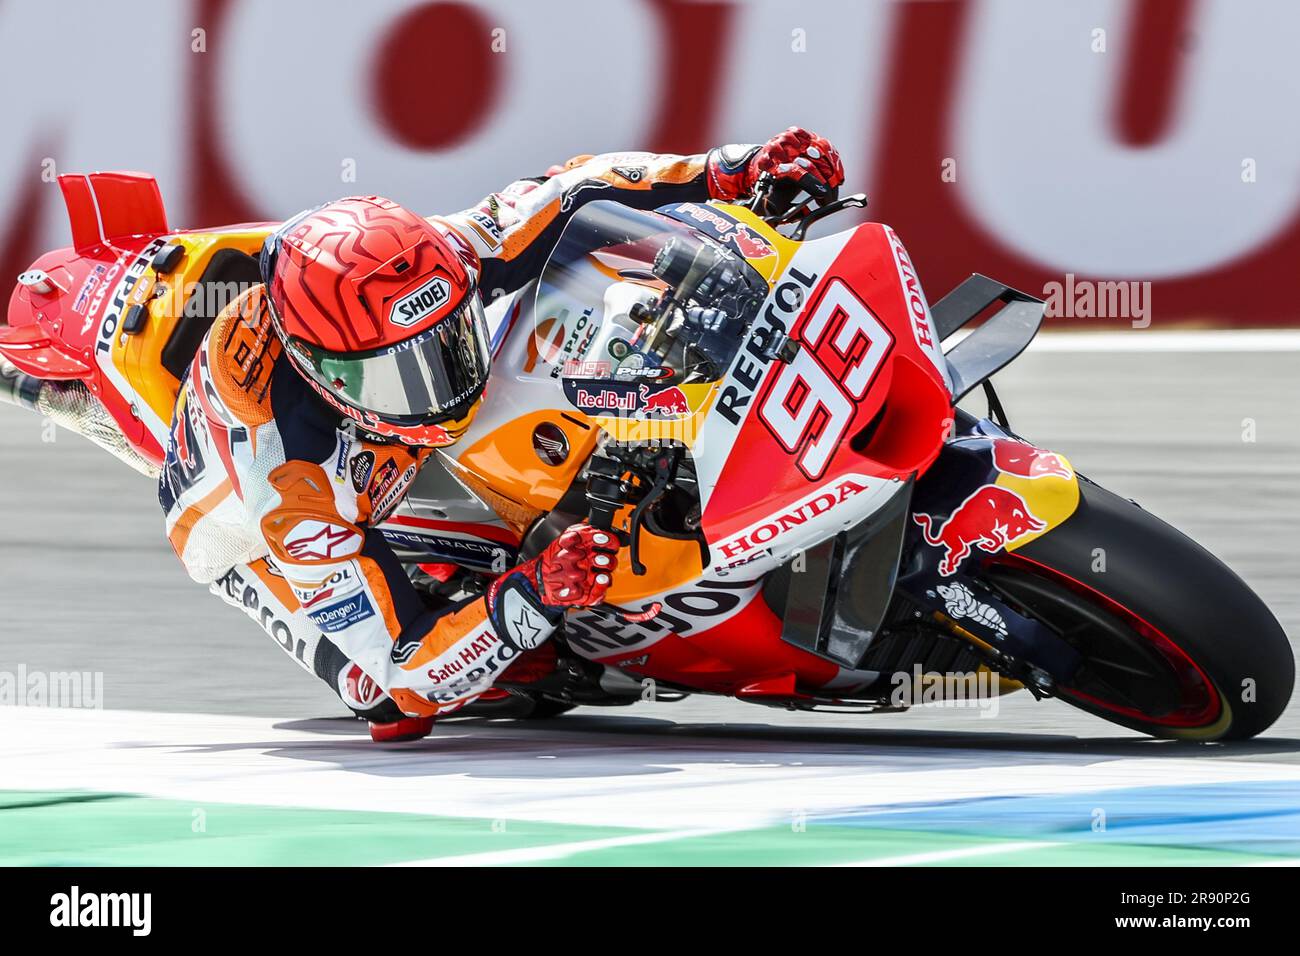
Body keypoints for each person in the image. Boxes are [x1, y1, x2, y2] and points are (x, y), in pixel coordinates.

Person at [158, 128, 844, 741]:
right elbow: (405, 671)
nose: (440, 386)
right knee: (388, 706)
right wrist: (538, 590)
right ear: (323, 373)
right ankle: (536, 632)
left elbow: (576, 186)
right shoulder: (293, 488)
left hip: (372, 425)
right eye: (402, 375)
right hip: (242, 531)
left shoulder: (443, 259)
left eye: (448, 342)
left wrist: (731, 168)